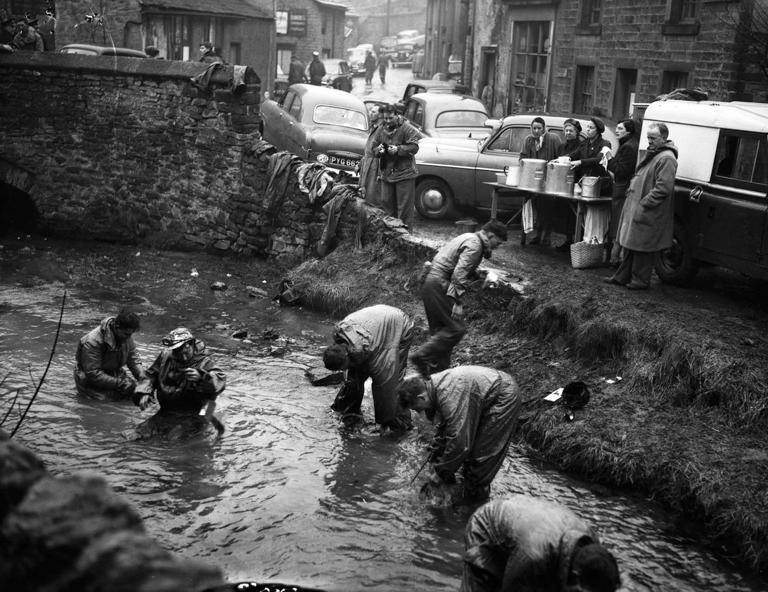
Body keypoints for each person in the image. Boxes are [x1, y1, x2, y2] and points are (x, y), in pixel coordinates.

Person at [397, 366, 522, 501]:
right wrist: (437, 452)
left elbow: (459, 442)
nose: (418, 412)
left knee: (481, 458)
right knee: (458, 452)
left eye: (417, 409)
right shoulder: (433, 387)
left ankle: (474, 505)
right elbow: (447, 428)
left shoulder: (448, 396)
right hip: (483, 394)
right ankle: (462, 493)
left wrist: (440, 474)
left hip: (502, 396)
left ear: (422, 397)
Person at [461, 495, 621, 592]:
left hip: (528, 525)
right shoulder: (533, 558)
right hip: (487, 528)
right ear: (577, 579)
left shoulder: (592, 543)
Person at [409, 220, 507, 375]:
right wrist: (457, 302)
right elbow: (458, 274)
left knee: (441, 332)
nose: (497, 246)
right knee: (456, 329)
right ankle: (422, 356)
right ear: (490, 235)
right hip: (439, 284)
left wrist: (479, 274)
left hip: (430, 282)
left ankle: (438, 375)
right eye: (498, 243)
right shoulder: (476, 246)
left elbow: (456, 265)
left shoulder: (469, 237)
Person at [605, 122, 678, 290]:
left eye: (653, 138)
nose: (649, 141)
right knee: (631, 243)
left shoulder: (666, 158)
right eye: (648, 138)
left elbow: (663, 188)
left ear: (663, 138)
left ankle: (640, 280)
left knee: (643, 246)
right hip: (637, 205)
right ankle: (622, 276)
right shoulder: (656, 154)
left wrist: (644, 203)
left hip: (648, 210)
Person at [323, 304, 415, 431]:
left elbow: (386, 385)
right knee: (354, 376)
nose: (342, 371)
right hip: (374, 323)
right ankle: (347, 411)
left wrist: (384, 421)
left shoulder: (377, 356)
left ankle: (400, 426)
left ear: (346, 355)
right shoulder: (341, 338)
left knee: (392, 383)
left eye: (342, 368)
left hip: (400, 327)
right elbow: (353, 371)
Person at [133, 327, 225, 432]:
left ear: (191, 344)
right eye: (178, 353)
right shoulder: (165, 356)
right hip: (168, 410)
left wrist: (201, 377)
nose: (184, 358)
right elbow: (150, 375)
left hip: (197, 412)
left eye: (186, 353)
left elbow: (220, 382)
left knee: (175, 440)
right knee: (136, 433)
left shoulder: (205, 361)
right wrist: (144, 392)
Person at [74, 310, 146, 400]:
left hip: (114, 373)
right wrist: (121, 383)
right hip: (89, 380)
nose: (129, 337)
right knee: (107, 403)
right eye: (126, 334)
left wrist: (143, 377)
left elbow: (133, 359)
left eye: (130, 334)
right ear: (116, 327)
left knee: (135, 394)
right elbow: (93, 373)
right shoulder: (92, 341)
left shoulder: (126, 337)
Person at [370, 103, 421, 229]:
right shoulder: (381, 129)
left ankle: (406, 237)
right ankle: (391, 237)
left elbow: (414, 147)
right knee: (387, 207)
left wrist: (399, 149)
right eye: (385, 118)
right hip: (387, 174)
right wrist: (379, 150)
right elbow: (373, 149)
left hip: (405, 174)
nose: (387, 121)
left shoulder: (406, 128)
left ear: (397, 115)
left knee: (404, 210)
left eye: (390, 118)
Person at [519, 117, 562, 245]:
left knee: (548, 208)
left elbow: (560, 157)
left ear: (544, 128)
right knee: (536, 207)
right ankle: (537, 234)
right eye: (534, 128)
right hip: (533, 181)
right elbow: (522, 158)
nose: (536, 131)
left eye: (539, 128)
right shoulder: (528, 140)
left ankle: (547, 235)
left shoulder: (553, 139)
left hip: (550, 180)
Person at [606, 119, 640, 265]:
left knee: (618, 224)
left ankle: (615, 258)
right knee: (619, 224)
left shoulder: (628, 147)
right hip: (622, 187)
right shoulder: (629, 145)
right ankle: (616, 257)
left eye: (620, 128)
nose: (617, 131)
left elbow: (621, 170)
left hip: (622, 188)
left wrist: (609, 159)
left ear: (629, 131)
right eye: (617, 128)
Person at [552, 117, 583, 252]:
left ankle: (577, 242)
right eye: (566, 130)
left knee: (574, 214)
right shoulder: (561, 147)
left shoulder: (581, 146)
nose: (568, 133)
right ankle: (568, 239)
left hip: (575, 182)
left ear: (576, 132)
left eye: (571, 130)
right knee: (564, 213)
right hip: (561, 183)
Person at [359, 104, 384, 206]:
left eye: (373, 112)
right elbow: (368, 150)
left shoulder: (382, 130)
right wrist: (360, 164)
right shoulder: (373, 128)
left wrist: (379, 173)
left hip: (374, 168)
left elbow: (382, 153)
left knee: (372, 197)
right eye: (370, 111)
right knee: (362, 194)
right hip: (367, 165)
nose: (370, 114)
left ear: (380, 115)